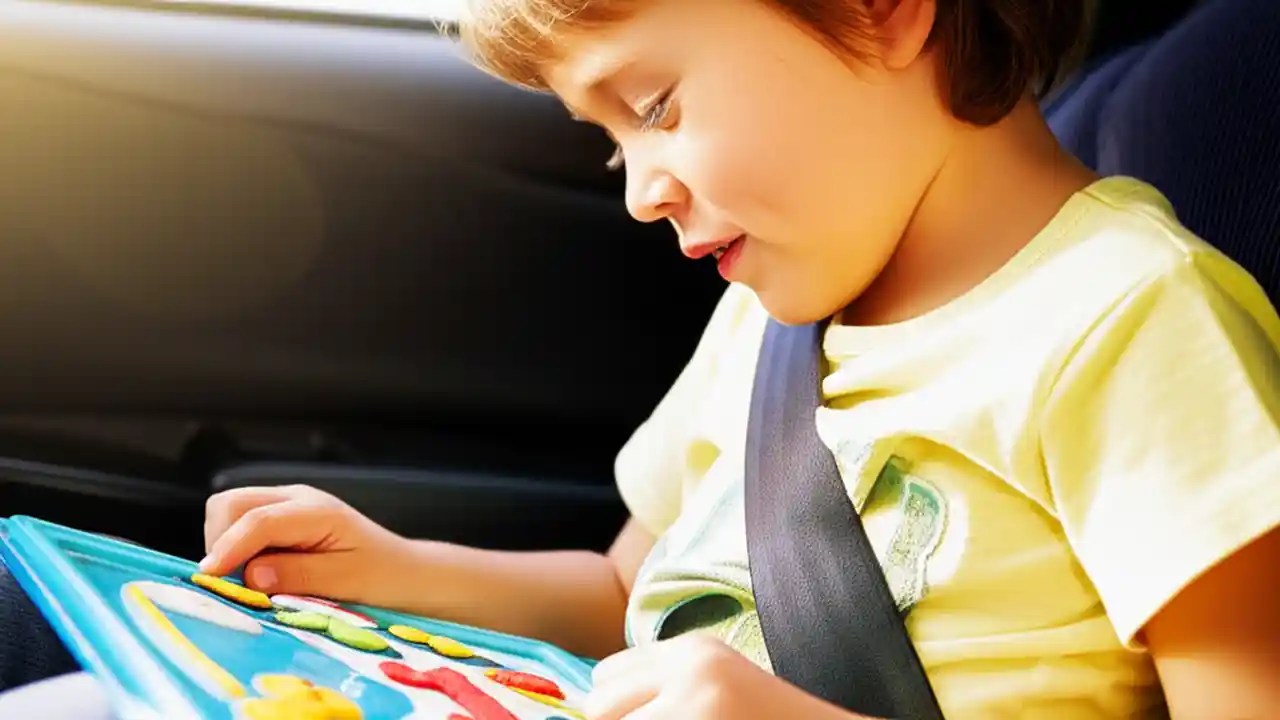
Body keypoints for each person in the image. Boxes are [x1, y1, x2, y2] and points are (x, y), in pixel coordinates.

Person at [2, 0, 1278, 717]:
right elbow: (631, 589)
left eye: (655, 105)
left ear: (879, 9)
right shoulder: (774, 315)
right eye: (608, 142)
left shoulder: (1129, 326)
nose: (638, 190)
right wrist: (397, 573)